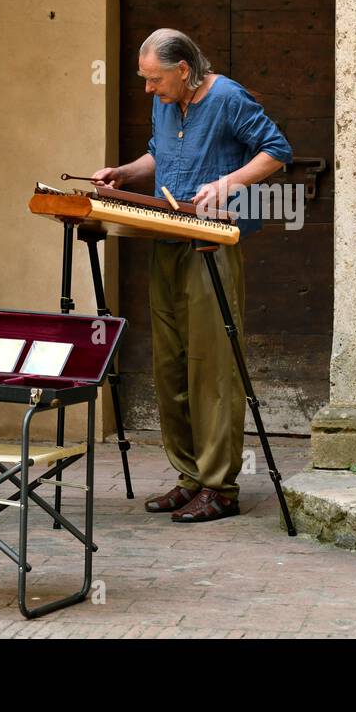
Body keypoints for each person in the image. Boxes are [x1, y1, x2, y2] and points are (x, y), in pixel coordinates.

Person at [92, 28, 292, 523]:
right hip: (166, 237)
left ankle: (220, 486)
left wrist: (228, 184)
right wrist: (125, 173)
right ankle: (189, 476)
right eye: (145, 80)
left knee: (212, 364)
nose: (148, 89)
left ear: (183, 70)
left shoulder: (226, 97)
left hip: (211, 242)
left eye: (155, 79)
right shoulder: (166, 100)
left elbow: (276, 150)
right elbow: (161, 156)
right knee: (171, 361)